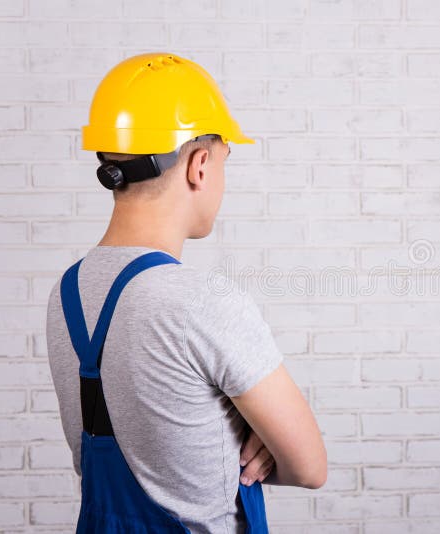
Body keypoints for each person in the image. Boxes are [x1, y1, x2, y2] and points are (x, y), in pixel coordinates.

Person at [45, 52, 327, 533]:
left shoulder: (68, 293)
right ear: (199, 164)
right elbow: (309, 467)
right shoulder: (202, 301)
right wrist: (252, 431)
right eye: (223, 160)